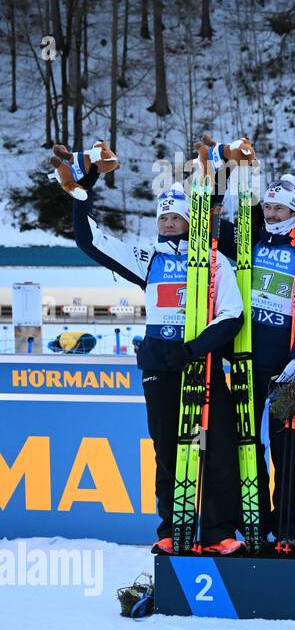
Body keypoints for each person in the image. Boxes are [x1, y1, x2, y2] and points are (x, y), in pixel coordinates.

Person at [63, 142, 244, 554]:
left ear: (188, 221)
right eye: (161, 215)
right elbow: (92, 242)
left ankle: (218, 533)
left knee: (212, 449)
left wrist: (194, 349)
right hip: (161, 367)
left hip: (201, 363)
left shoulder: (215, 260)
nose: (166, 222)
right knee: (168, 452)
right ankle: (172, 529)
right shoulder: (148, 257)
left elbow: (232, 316)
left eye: (174, 216)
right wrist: (83, 193)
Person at [215, 175, 295, 548]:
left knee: (286, 447)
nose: (272, 214)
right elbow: (206, 222)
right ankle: (254, 519)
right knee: (248, 445)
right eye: (268, 207)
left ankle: (288, 525)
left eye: (280, 208)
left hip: (285, 366)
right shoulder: (249, 238)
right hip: (246, 358)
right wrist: (219, 171)